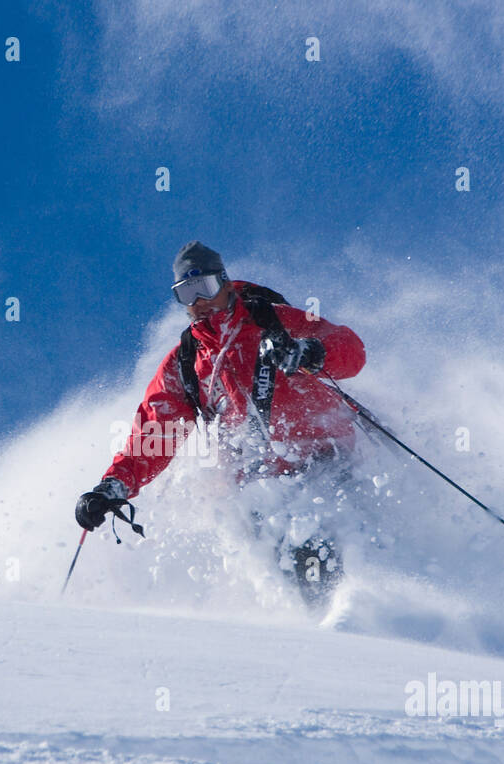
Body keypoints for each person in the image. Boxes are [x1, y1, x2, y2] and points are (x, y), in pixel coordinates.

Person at [75, 241, 366, 603]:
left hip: (323, 457)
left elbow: (350, 350)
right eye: (186, 294)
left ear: (225, 283)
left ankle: (367, 610)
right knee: (288, 561)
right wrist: (114, 485)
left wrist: (312, 352)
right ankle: (328, 624)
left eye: (205, 288)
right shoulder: (187, 362)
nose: (197, 302)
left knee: (331, 541)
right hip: (259, 485)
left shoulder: (276, 320)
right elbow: (156, 432)